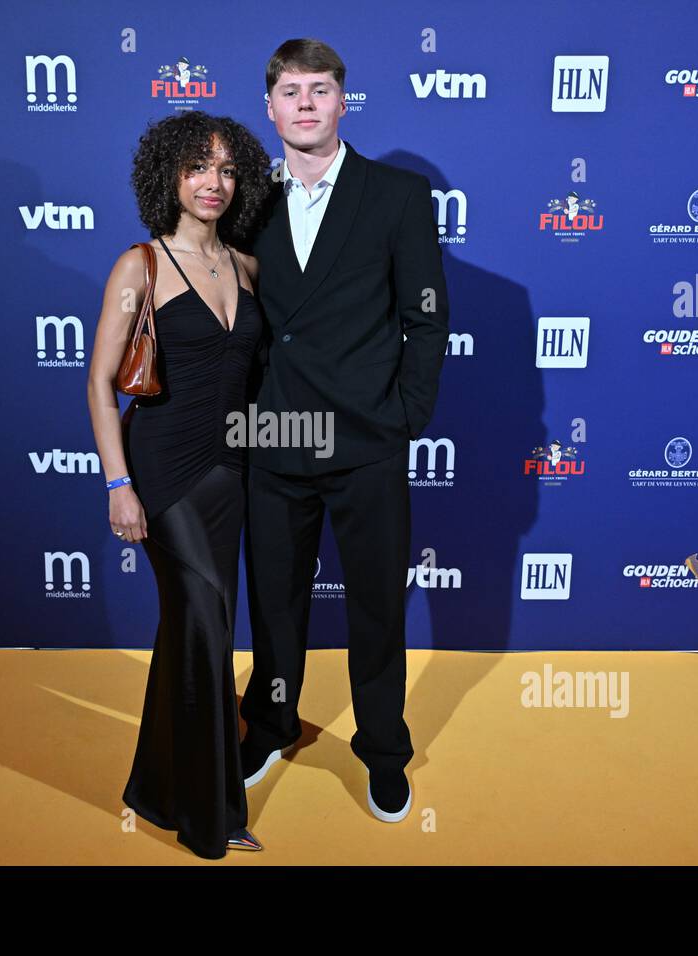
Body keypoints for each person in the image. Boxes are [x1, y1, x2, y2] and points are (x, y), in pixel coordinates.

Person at [239, 39, 449, 822]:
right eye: (290, 90)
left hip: (367, 442)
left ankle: (384, 751)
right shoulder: (245, 203)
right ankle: (268, 724)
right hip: (275, 438)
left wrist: (403, 418)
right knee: (275, 607)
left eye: (319, 89)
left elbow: (426, 320)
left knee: (375, 611)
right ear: (270, 106)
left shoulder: (396, 194)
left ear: (342, 101)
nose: (304, 102)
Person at [86, 112, 271, 858]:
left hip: (235, 469)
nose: (213, 183)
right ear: (169, 174)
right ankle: (210, 816)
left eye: (227, 170)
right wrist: (118, 484)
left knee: (197, 632)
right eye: (199, 167)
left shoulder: (248, 267)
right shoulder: (142, 266)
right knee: (204, 621)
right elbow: (101, 385)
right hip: (163, 470)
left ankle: (156, 788)